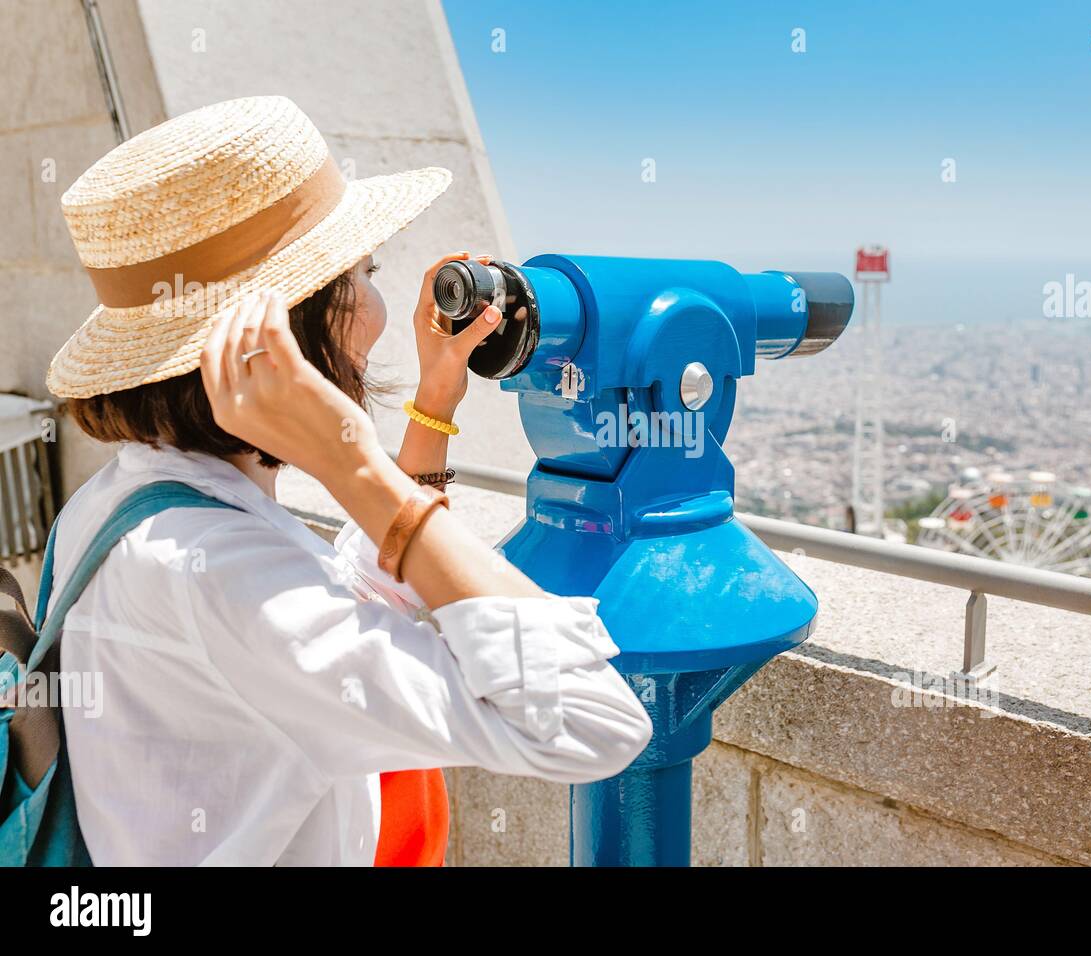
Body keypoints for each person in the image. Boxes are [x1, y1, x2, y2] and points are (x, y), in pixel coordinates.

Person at [43, 95, 652, 865]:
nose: (378, 308)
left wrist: (434, 404)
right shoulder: (209, 568)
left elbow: (347, 602)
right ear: (286, 330)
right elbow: (591, 720)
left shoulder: (119, 505)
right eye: (360, 273)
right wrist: (348, 459)